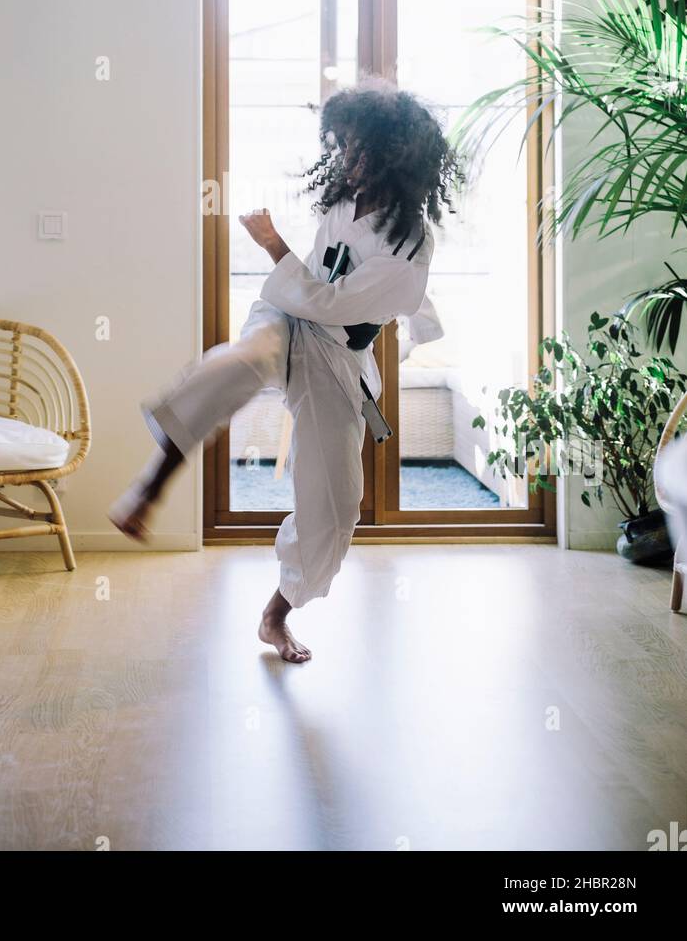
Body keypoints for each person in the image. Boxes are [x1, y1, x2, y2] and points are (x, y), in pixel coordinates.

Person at [109, 80, 461, 662]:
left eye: (362, 150)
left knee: (338, 505)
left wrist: (274, 245)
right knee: (240, 362)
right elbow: (312, 287)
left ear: (397, 160)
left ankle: (276, 615)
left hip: (335, 352)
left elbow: (335, 304)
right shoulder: (344, 201)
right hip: (286, 315)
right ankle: (149, 488)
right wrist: (283, 259)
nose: (349, 160)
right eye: (344, 146)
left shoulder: (410, 242)